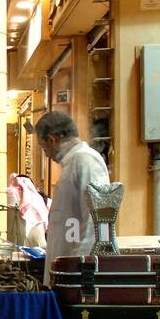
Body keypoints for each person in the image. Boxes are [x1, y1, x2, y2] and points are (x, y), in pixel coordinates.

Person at [36, 111, 110, 284]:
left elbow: (95, 222)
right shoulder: (72, 164)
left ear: (52, 139)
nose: (46, 155)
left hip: (76, 276)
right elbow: (73, 226)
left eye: (43, 147)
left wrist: (78, 268)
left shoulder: (85, 161)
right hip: (65, 273)